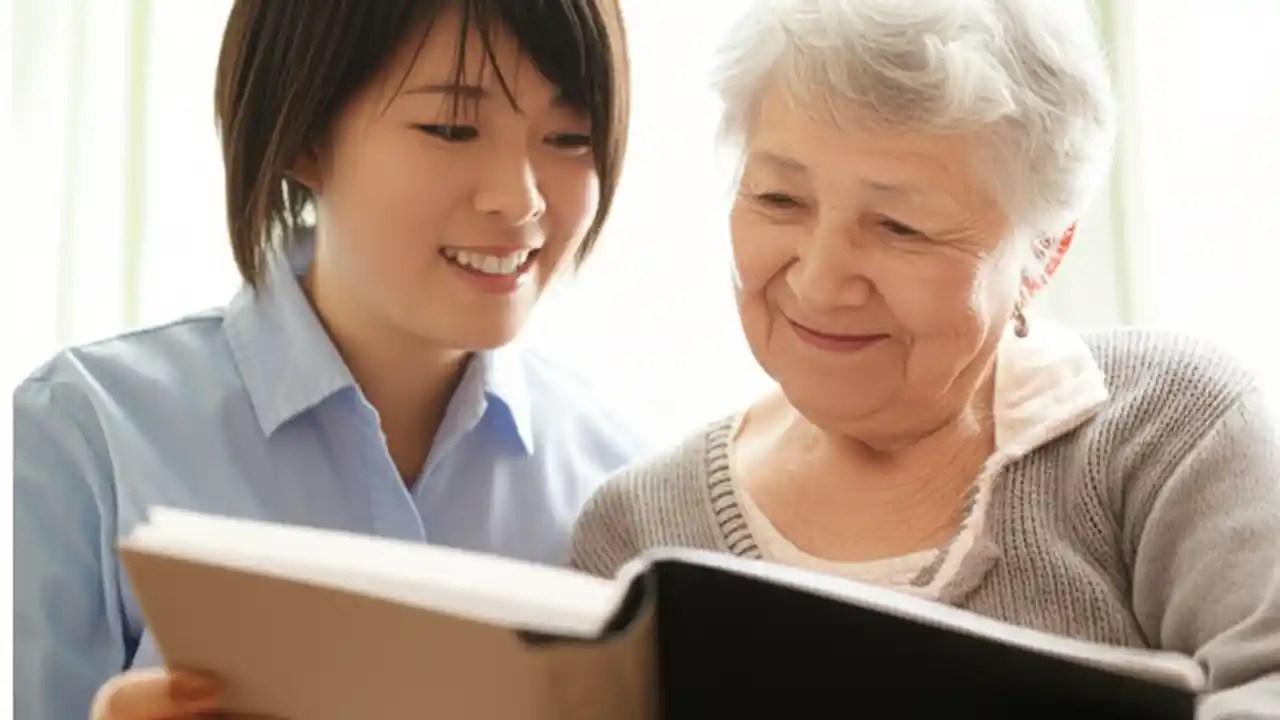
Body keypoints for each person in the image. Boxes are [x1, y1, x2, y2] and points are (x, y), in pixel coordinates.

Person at [568, 0, 1280, 716]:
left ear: (1043, 252)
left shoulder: (1169, 433)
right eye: (780, 199)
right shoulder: (635, 532)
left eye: (900, 227)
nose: (819, 280)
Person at [14, 0, 648, 718]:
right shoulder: (86, 435)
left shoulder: (620, 490)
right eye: (450, 127)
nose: (520, 197)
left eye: (570, 137)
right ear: (304, 136)